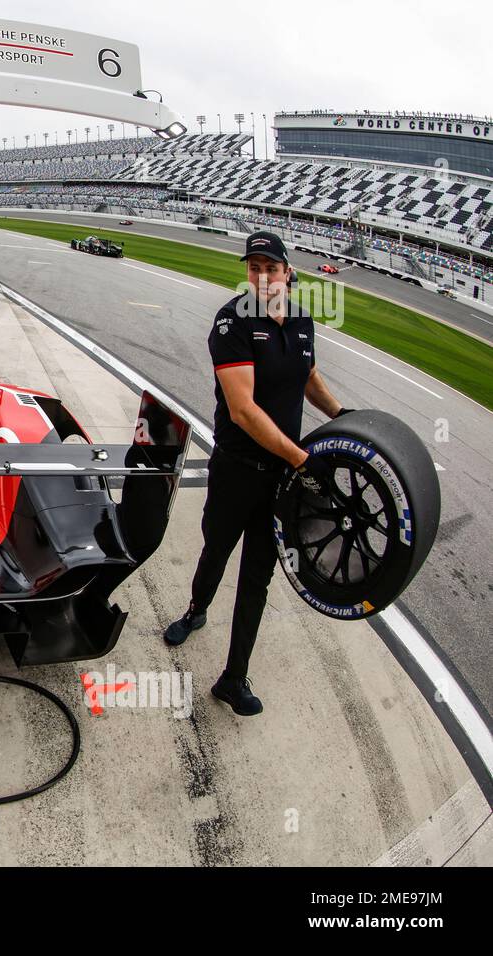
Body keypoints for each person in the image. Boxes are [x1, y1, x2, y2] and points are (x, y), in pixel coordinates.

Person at [163, 231, 350, 717]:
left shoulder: (304, 320)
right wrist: (303, 460)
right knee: (217, 551)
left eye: (271, 267)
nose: (262, 276)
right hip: (238, 470)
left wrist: (344, 418)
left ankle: (233, 677)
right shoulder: (232, 323)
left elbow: (309, 378)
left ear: (289, 273)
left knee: (258, 578)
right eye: (254, 268)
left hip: (281, 477)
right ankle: (195, 610)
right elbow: (243, 411)